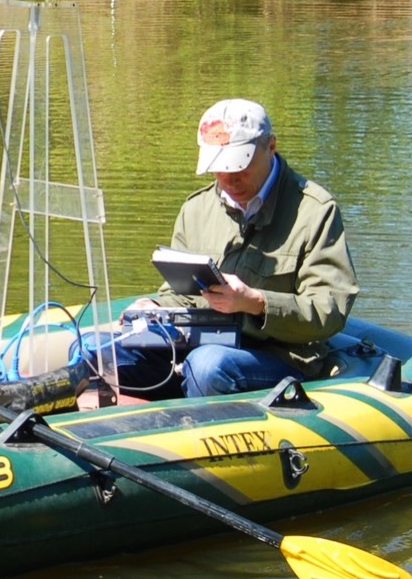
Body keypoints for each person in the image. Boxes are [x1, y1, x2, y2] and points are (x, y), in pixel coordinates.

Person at [112, 100, 359, 399]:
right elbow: (179, 294)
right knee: (100, 350)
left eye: (239, 165)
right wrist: (155, 308)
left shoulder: (315, 211)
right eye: (218, 167)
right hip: (199, 342)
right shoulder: (196, 209)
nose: (229, 179)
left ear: (271, 147)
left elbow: (329, 310)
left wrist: (256, 303)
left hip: (280, 357)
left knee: (208, 366)